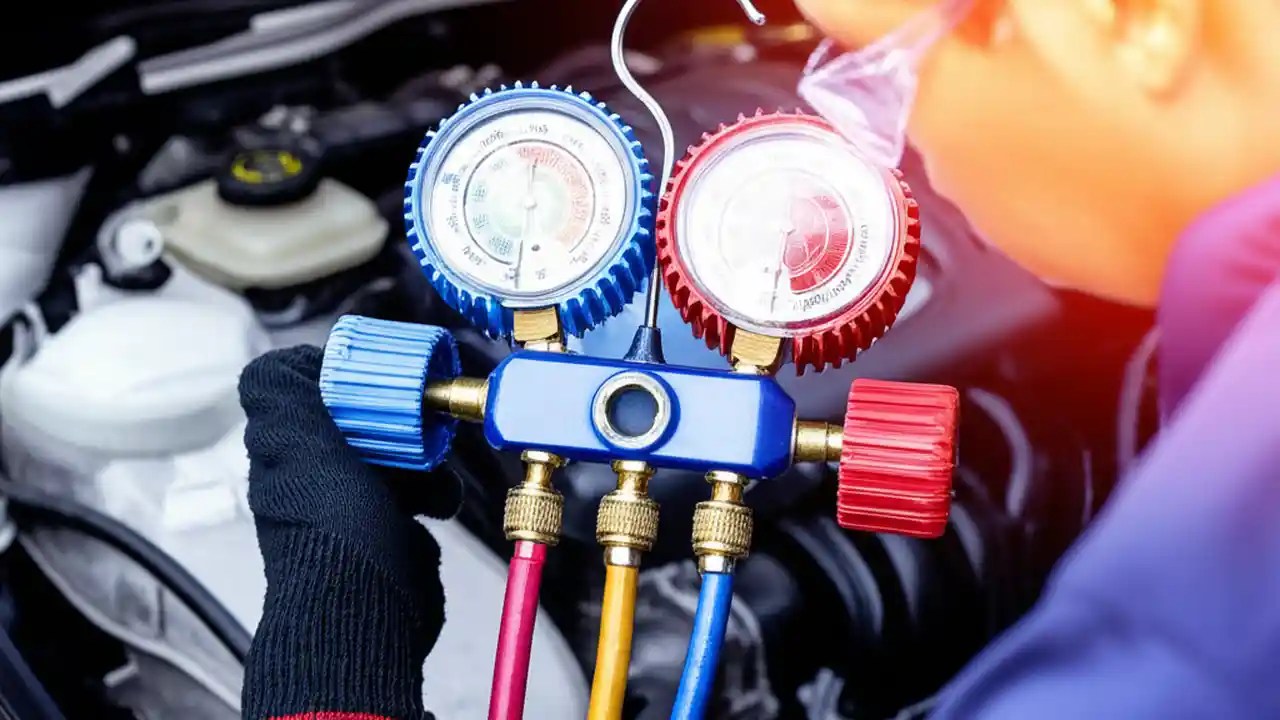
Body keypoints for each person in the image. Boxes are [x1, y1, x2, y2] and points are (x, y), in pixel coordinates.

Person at [239, 0, 1280, 717]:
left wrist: (336, 667)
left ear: (1126, 16)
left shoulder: (1186, 649)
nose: (858, 121)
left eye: (867, 59)